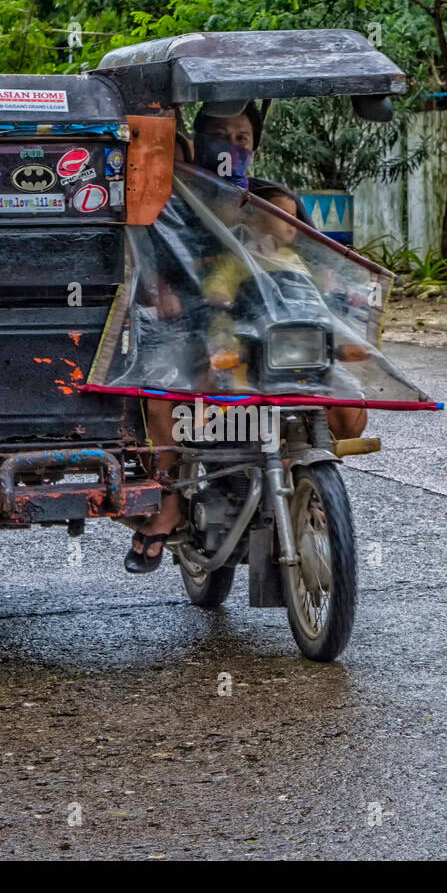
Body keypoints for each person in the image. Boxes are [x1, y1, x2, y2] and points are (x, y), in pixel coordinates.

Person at [125, 108, 362, 573]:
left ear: (253, 145)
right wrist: (164, 291)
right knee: (162, 399)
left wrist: (338, 286)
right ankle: (170, 499)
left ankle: (306, 483)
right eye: (218, 135)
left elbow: (315, 259)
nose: (230, 145)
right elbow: (145, 256)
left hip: (274, 338)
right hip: (189, 330)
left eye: (241, 136)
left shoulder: (271, 200)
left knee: (349, 401)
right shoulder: (170, 195)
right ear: (198, 138)